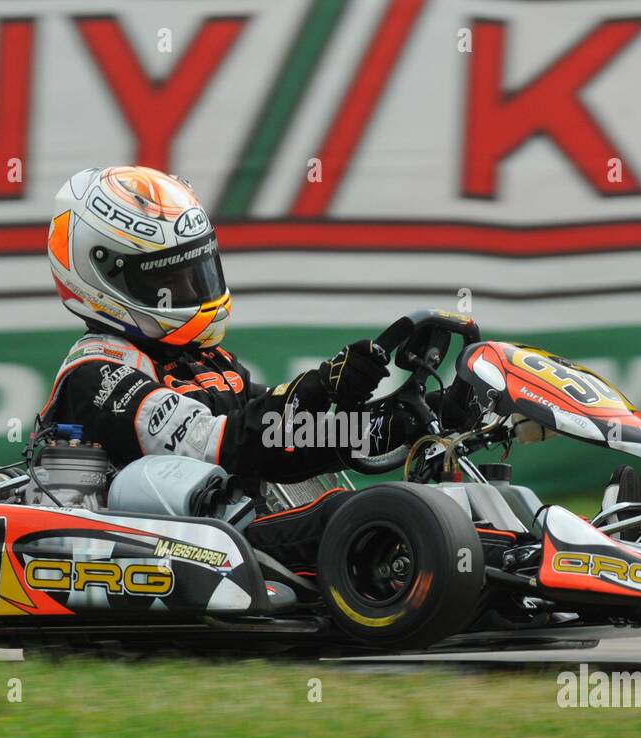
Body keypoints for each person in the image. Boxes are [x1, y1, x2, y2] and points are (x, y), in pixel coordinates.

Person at [38, 165, 411, 570]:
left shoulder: (205, 362)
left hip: (232, 546)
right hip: (172, 553)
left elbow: (286, 444)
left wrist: (401, 423)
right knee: (365, 517)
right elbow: (219, 445)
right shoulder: (96, 372)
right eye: (170, 279)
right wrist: (318, 387)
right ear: (105, 276)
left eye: (196, 270)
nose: (193, 290)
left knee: (400, 508)